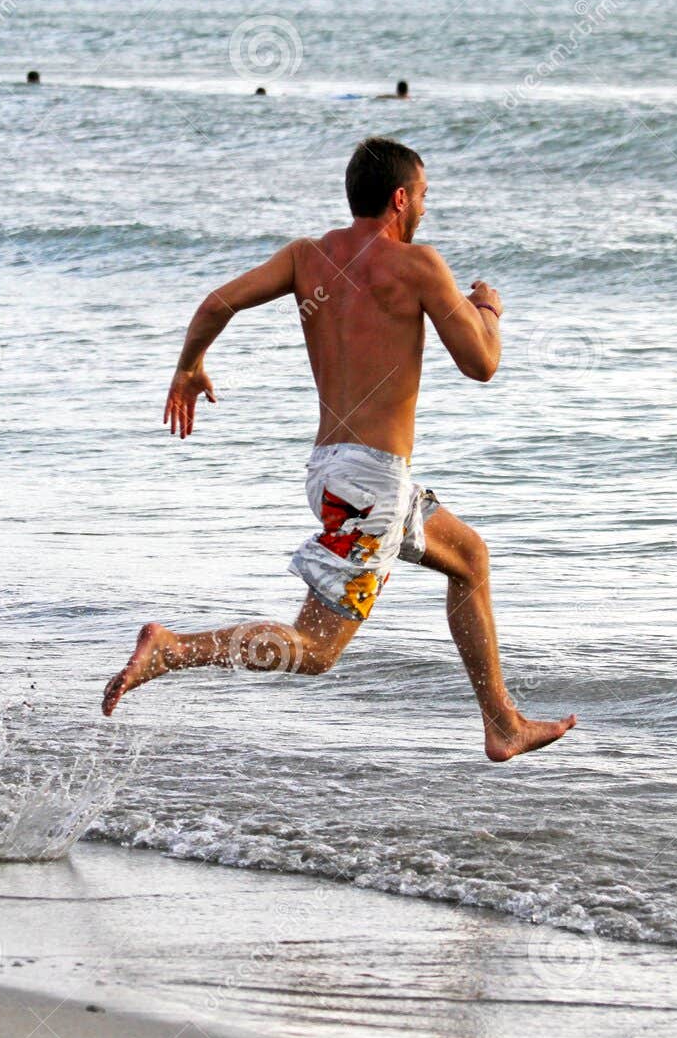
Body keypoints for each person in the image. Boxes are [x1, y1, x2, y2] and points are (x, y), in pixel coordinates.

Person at [101, 137, 577, 762]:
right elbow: (482, 364)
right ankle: (175, 649)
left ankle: (502, 722)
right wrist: (486, 307)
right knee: (317, 649)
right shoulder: (419, 266)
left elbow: (219, 302)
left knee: (469, 559)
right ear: (400, 198)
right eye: (425, 197)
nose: (427, 211)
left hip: (337, 471)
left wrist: (188, 367)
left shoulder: (307, 258)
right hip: (369, 488)